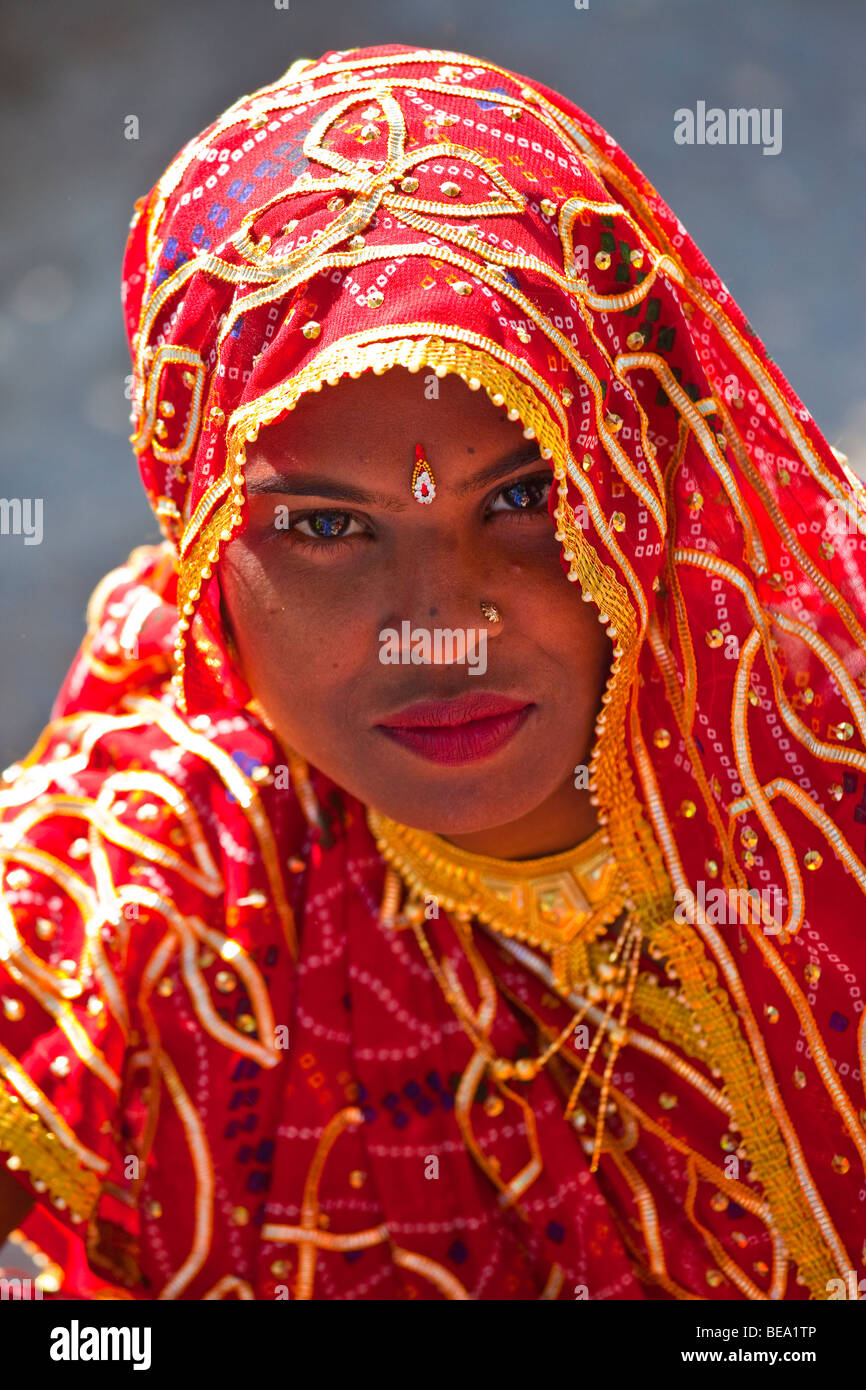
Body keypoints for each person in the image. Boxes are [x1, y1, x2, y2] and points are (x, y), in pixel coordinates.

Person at [1, 40, 864, 1302]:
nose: (438, 624)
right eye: (326, 527)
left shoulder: (824, 788)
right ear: (197, 555)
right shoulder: (164, 866)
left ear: (653, 473)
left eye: (520, 498)